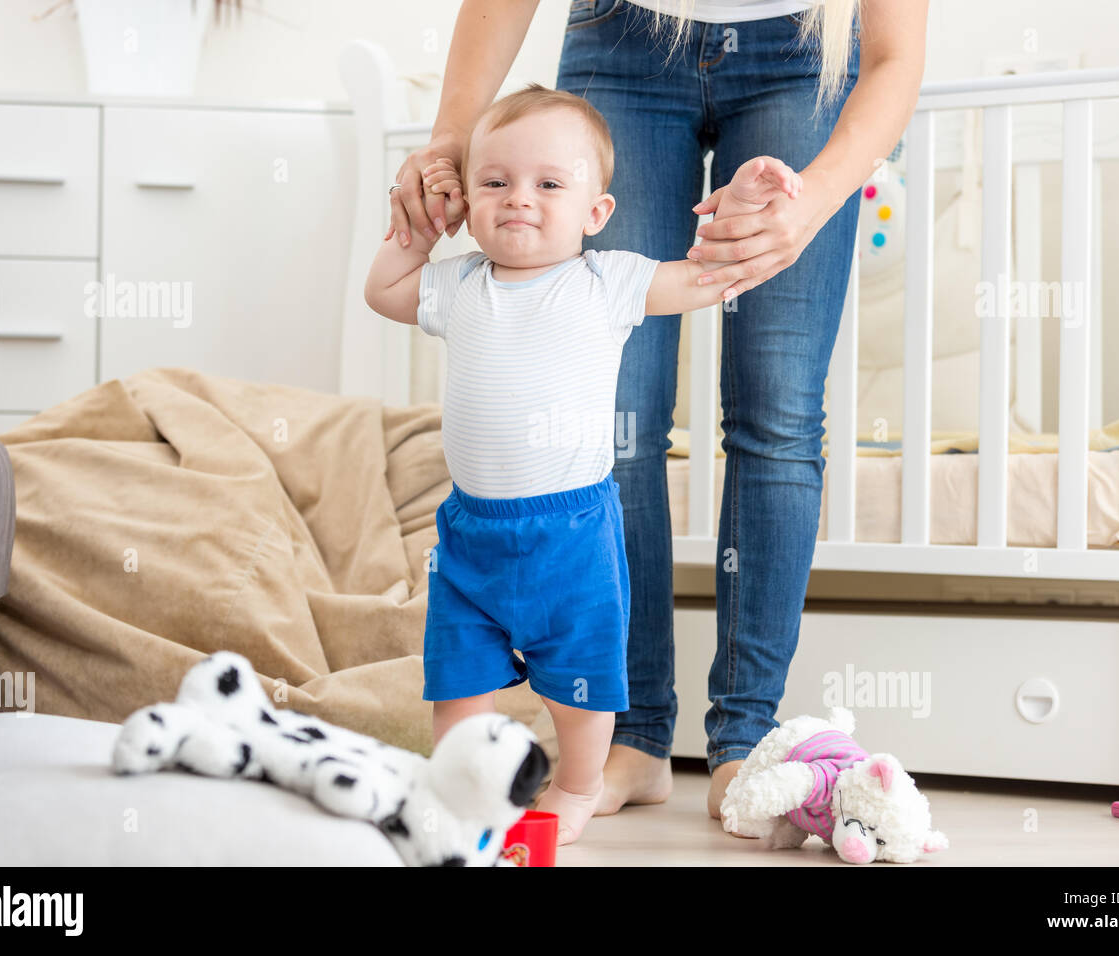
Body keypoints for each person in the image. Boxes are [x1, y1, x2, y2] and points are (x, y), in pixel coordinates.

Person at [385, 0, 928, 824]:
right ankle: (632, 738)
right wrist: (451, 143)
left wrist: (808, 203)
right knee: (623, 419)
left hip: (802, 58)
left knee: (778, 415)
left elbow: (895, 54)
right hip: (623, 37)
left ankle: (744, 739)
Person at [365, 83, 800, 843]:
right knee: (460, 677)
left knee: (583, 678)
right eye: (494, 183)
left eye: (548, 185)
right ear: (468, 199)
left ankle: (579, 780)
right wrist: (422, 228)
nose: (518, 200)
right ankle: (462, 784)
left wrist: (747, 212)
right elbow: (384, 291)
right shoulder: (460, 283)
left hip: (571, 528)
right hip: (471, 533)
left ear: (594, 213)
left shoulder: (608, 281)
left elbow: (705, 279)